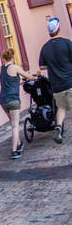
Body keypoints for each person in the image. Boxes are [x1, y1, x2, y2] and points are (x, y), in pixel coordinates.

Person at [38, 17, 72, 145]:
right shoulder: (67, 43)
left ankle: (58, 127)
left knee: (61, 107)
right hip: (70, 82)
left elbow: (41, 66)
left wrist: (52, 65)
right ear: (58, 28)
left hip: (56, 86)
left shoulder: (45, 48)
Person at [0, 48, 36, 158]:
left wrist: (18, 82)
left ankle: (19, 144)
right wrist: (36, 78)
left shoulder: (1, 69)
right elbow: (28, 76)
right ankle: (14, 151)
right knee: (15, 126)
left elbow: (8, 82)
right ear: (13, 57)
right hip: (13, 100)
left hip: (3, 100)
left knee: (12, 123)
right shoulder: (14, 67)